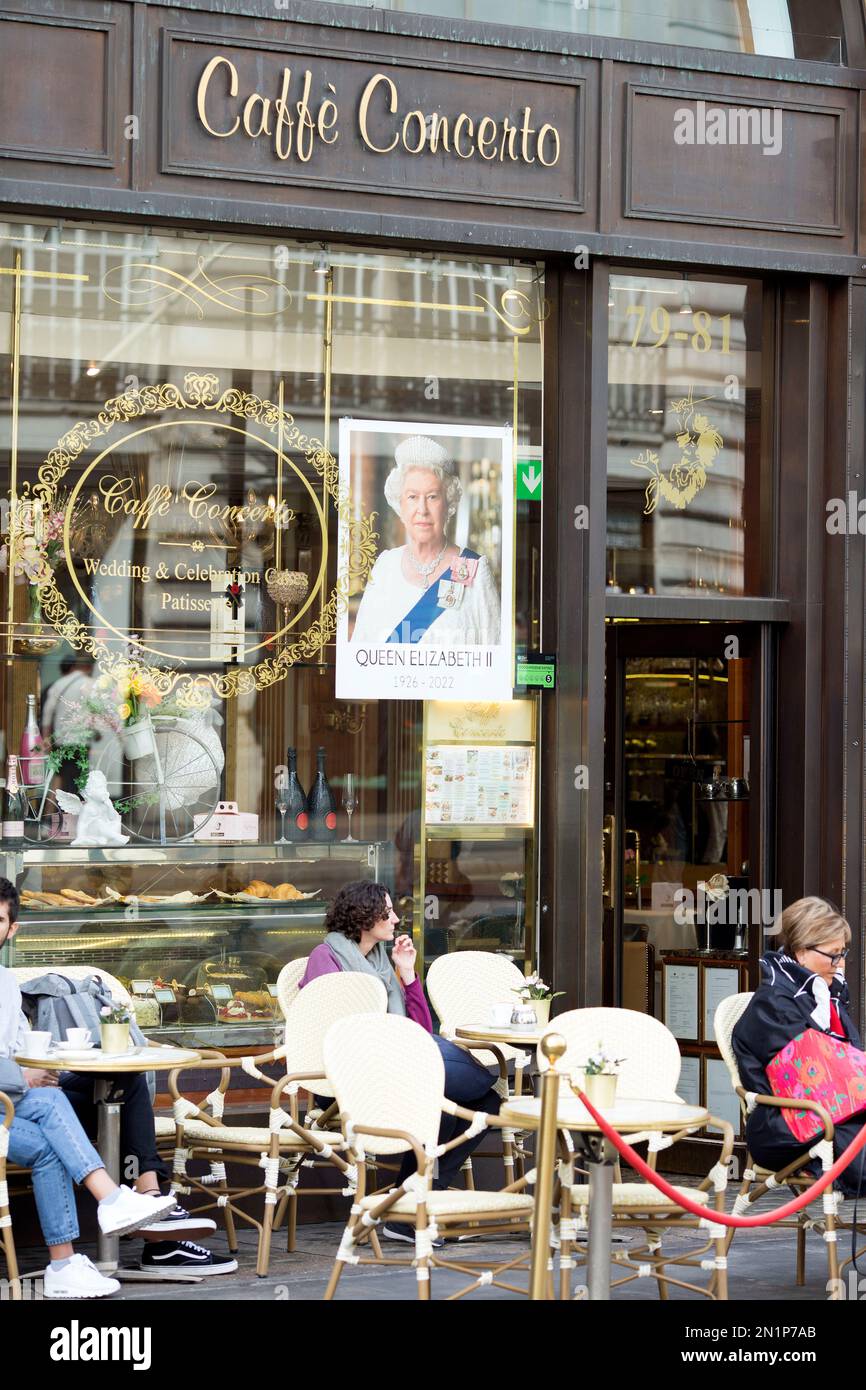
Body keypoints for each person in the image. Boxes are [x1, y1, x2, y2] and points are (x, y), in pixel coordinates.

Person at [0, 879, 237, 1285]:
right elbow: (17, 1067)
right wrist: (22, 1076)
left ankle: (125, 1215)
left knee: (121, 1080)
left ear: (12, 929)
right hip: (13, 1100)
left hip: (17, 1101)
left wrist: (57, 1062)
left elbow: (25, 1048)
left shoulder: (6, 983)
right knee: (52, 1118)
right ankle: (117, 1207)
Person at [299, 880, 503, 1243]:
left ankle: (410, 1203)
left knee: (486, 1104)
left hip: (396, 1066)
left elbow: (421, 1029)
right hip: (349, 1078)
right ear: (364, 916)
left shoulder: (381, 959)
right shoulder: (325, 958)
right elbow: (336, 1032)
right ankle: (407, 1213)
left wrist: (407, 974)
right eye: (387, 912)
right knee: (440, 1096)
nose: (395, 919)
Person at [732, 896, 866, 1196]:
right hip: (784, 1124)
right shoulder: (773, 1004)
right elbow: (819, 1076)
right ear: (802, 952)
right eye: (833, 955)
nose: (840, 963)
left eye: (843, 953)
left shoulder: (824, 996)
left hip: (828, 1116)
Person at [350, 435, 500, 646]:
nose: (422, 510)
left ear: (448, 504)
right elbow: (361, 648)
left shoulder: (474, 569)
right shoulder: (385, 567)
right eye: (412, 497)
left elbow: (494, 656)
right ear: (400, 506)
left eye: (432, 497)